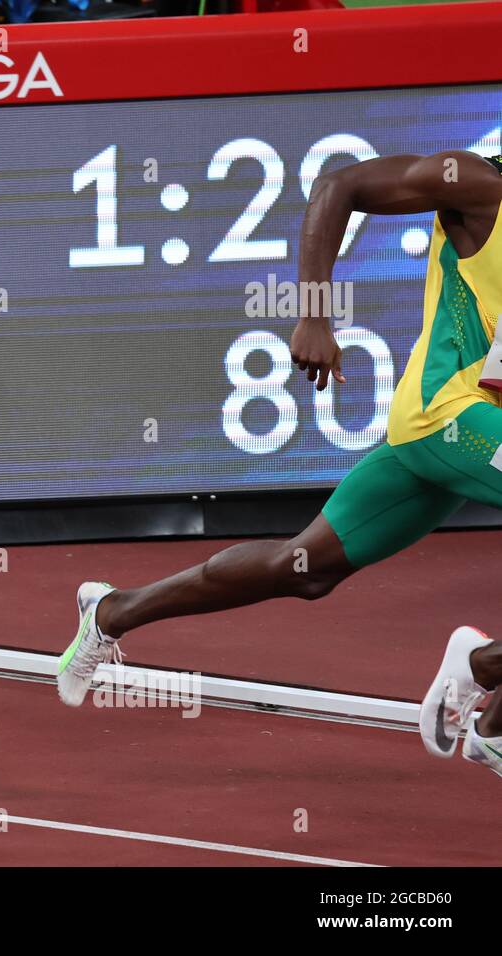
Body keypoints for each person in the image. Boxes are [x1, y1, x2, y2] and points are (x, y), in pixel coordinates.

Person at [56, 151, 502, 778]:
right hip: (445, 416)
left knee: (306, 568)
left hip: (470, 434)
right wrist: (314, 313)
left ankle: (111, 612)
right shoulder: (479, 184)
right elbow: (338, 184)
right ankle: (485, 685)